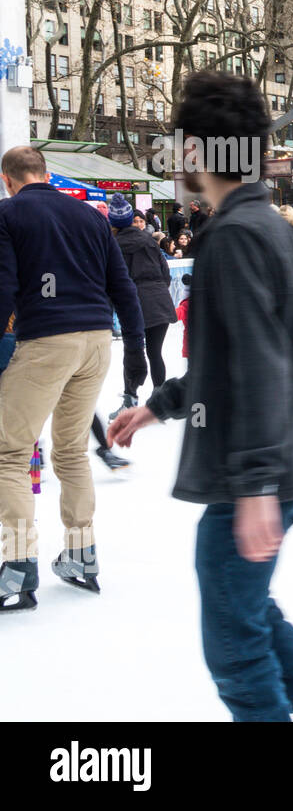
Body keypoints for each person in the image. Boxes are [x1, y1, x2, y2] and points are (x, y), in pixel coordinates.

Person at [107, 71, 293, 720]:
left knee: (236, 650)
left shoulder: (239, 234)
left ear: (197, 150)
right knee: (255, 620)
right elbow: (230, 358)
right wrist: (159, 406)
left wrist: (253, 487)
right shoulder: (256, 224)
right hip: (270, 467)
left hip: (257, 473)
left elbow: (261, 367)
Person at [0, 147, 146, 610]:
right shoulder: (89, 216)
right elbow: (121, 285)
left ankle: (18, 569)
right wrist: (136, 350)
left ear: (8, 180)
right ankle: (82, 555)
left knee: (9, 454)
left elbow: (3, 287)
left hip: (45, 342)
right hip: (97, 341)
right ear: (46, 174)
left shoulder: (8, 214)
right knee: (69, 451)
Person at [107, 197, 177, 419]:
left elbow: (113, 281)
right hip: (159, 302)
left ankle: (130, 399)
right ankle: (160, 403)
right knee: (155, 353)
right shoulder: (149, 241)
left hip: (134, 305)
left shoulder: (114, 245)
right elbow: (165, 274)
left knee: (132, 352)